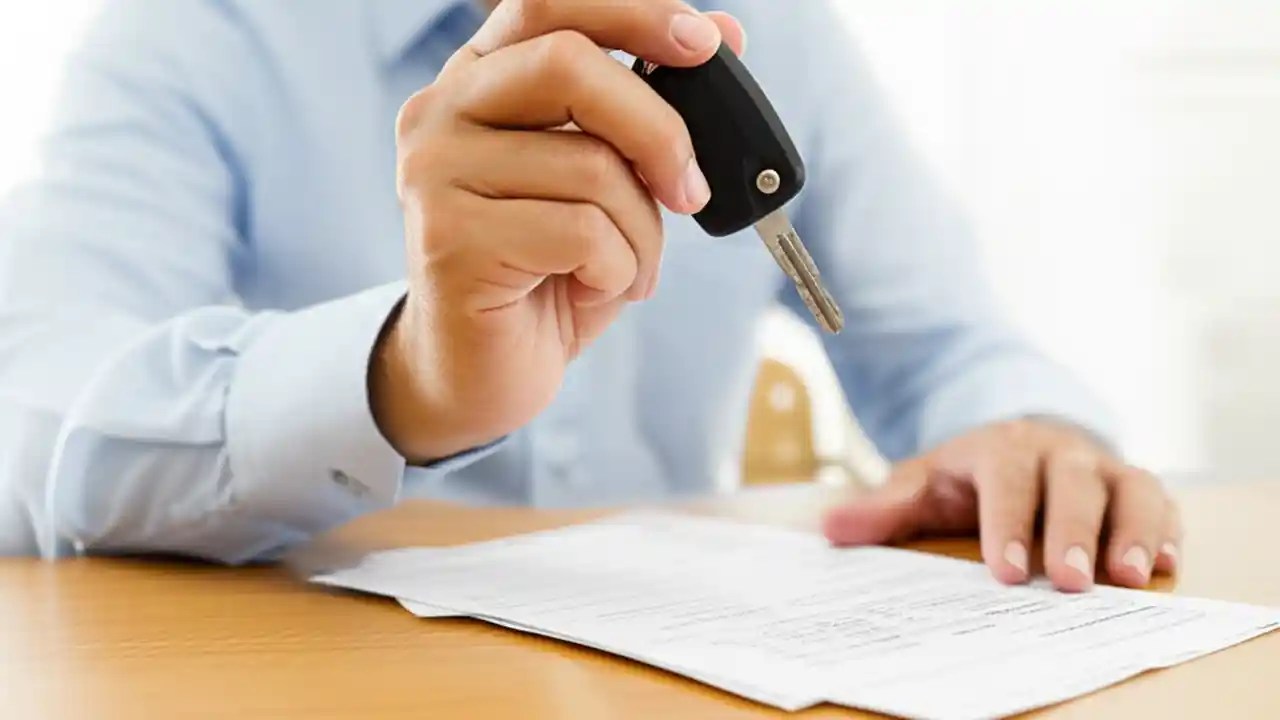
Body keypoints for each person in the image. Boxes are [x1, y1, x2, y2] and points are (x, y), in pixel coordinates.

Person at [0, 0, 1178, 592]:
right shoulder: (200, 30)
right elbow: (34, 426)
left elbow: (949, 347)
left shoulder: (765, 28)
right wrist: (402, 379)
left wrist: (1029, 443)